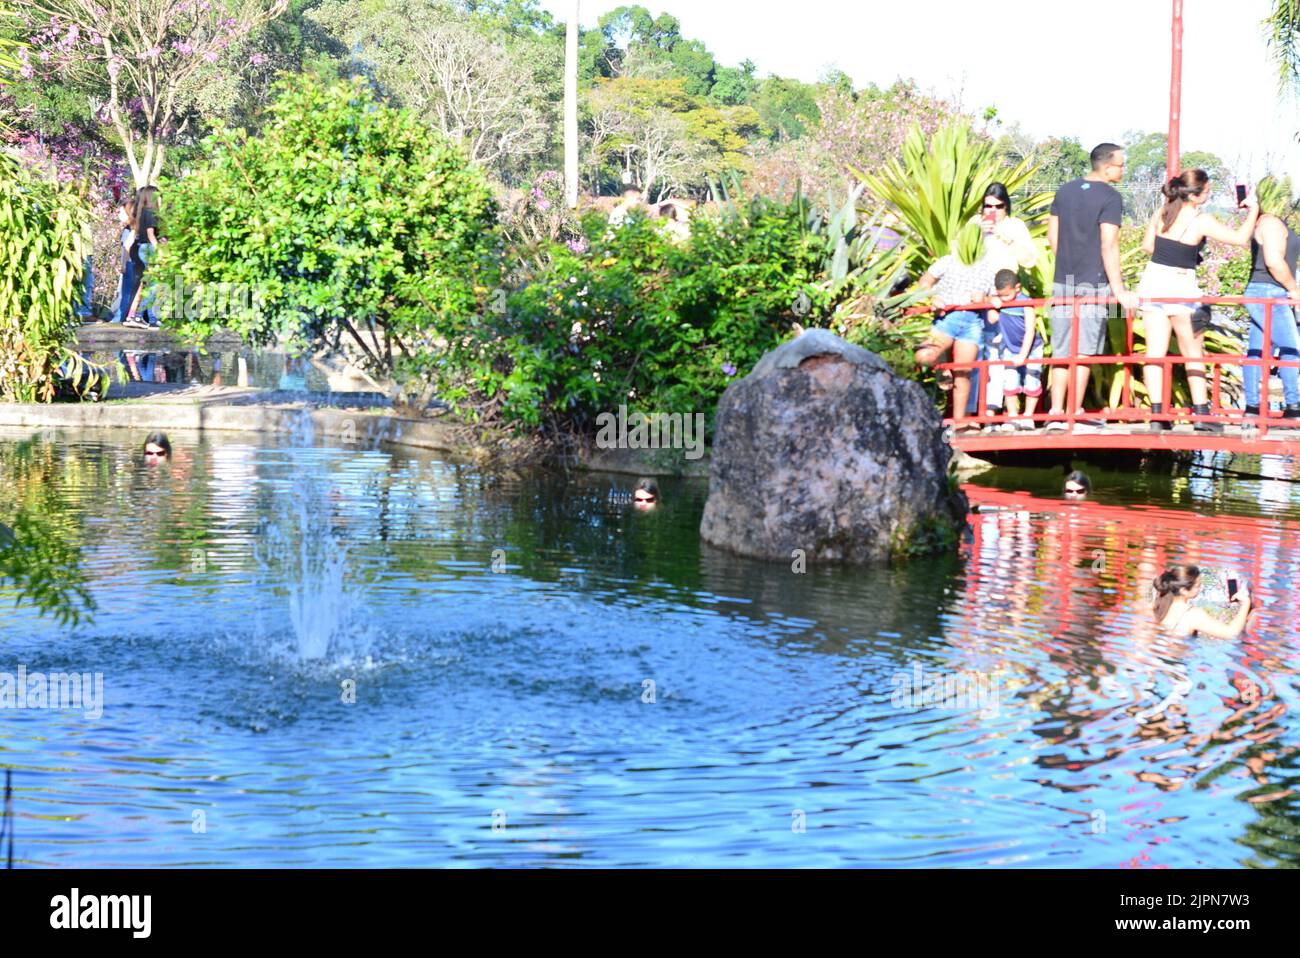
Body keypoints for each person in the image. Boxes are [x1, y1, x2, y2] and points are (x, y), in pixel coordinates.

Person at [1137, 169, 1259, 433]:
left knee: (1154, 353)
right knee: (1193, 352)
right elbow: (1240, 239)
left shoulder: (1163, 213)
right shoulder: (1201, 219)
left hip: (1153, 283)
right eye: (1208, 191)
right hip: (1181, 286)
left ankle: (1157, 415)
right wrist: (1253, 210)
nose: (1210, 194)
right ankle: (1202, 414)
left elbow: (1148, 247)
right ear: (1196, 195)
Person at [1045, 143, 1140, 431]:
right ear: (1107, 166)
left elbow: (1052, 236)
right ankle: (1075, 412)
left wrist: (1069, 261)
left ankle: (1055, 412)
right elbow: (1108, 243)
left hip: (1064, 279)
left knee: (1061, 348)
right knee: (1084, 349)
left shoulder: (1065, 190)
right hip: (1093, 281)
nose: (1123, 169)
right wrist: (1120, 289)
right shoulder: (1111, 197)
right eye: (1121, 165)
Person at [914, 222, 996, 434]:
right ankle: (942, 369)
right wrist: (933, 296)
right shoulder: (947, 262)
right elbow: (925, 280)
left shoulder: (987, 268)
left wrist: (984, 298)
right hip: (947, 317)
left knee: (964, 373)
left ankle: (960, 423)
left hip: (972, 321)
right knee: (925, 355)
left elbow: (994, 300)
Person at [1241, 176, 1300, 421]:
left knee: (1258, 349)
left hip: (1264, 291)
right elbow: (1274, 261)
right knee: (1291, 348)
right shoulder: (1270, 222)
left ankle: (1253, 407)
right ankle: (1294, 405)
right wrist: (1293, 288)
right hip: (1270, 291)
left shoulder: (1267, 221)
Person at [987, 269, 1043, 430]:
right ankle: (1012, 416)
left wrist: (1023, 355)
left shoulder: (1025, 303)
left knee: (1032, 381)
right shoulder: (1000, 301)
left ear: (1017, 288)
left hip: (1031, 349)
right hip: (1010, 348)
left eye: (1006, 295)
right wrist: (992, 304)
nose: (1004, 299)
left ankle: (1028, 416)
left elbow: (1030, 330)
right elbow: (992, 318)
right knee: (1010, 382)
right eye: (1000, 295)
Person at [1151, 564, 1251, 638]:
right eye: (1198, 586)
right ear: (1183, 591)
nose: (1201, 588)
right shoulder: (1193, 614)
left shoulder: (1161, 602)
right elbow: (1231, 633)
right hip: (1177, 663)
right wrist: (1246, 603)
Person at [974, 182, 1038, 276]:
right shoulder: (975, 222)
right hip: (977, 281)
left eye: (998, 206)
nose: (993, 210)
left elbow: (1029, 261)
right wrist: (978, 234)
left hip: (1004, 284)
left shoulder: (1016, 225)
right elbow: (958, 252)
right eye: (988, 206)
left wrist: (1007, 239)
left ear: (1006, 206)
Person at [122, 186, 163, 328]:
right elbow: (151, 234)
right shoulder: (151, 212)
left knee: (150, 283)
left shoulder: (141, 212)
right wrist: (160, 251)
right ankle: (139, 316)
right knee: (154, 284)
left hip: (142, 247)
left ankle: (152, 318)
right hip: (149, 249)